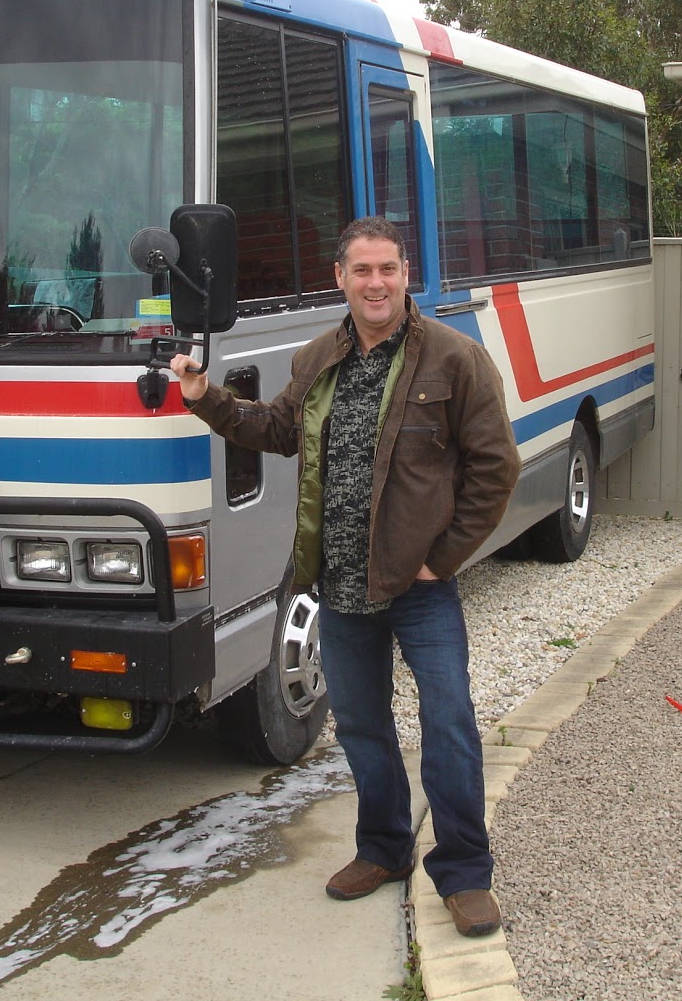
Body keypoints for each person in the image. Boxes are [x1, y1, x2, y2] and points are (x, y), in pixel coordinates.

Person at [169, 216, 520, 938]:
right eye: (362, 271)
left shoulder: (454, 360)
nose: (376, 283)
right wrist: (206, 395)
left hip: (420, 588)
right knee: (361, 727)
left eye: (388, 269)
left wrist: (442, 558)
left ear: (405, 274)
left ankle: (463, 871)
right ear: (340, 278)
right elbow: (274, 430)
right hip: (339, 586)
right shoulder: (317, 359)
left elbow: (496, 467)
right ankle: (385, 848)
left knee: (448, 723)